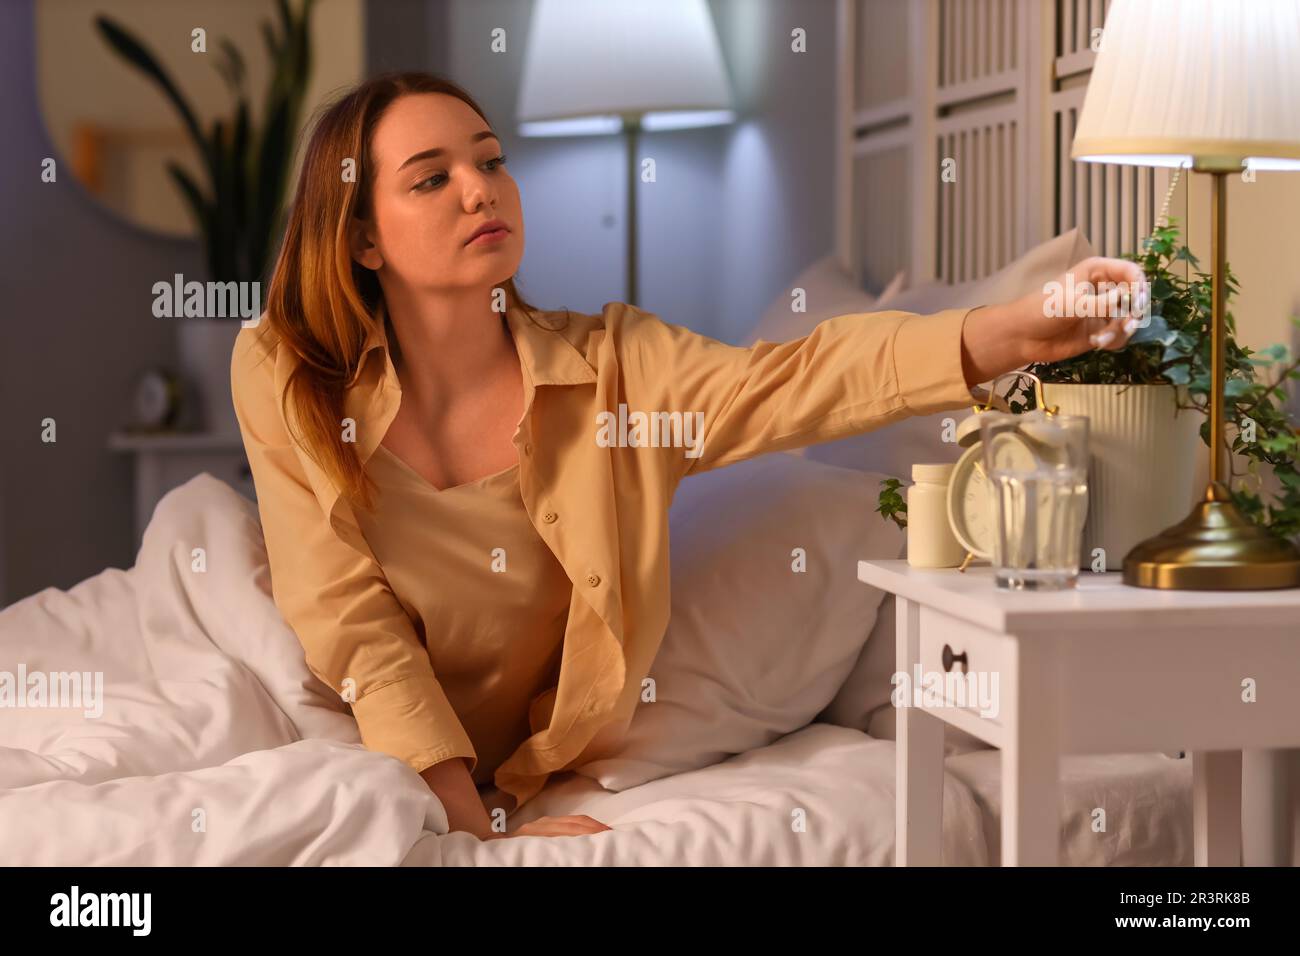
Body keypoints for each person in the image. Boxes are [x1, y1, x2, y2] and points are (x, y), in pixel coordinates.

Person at [230, 72, 1146, 842]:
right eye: (431, 179)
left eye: (491, 159)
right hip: (317, 687)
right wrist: (473, 832)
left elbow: (799, 378)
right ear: (359, 236)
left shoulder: (617, 372)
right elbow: (347, 618)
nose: (482, 189)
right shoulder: (285, 370)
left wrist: (1013, 331)